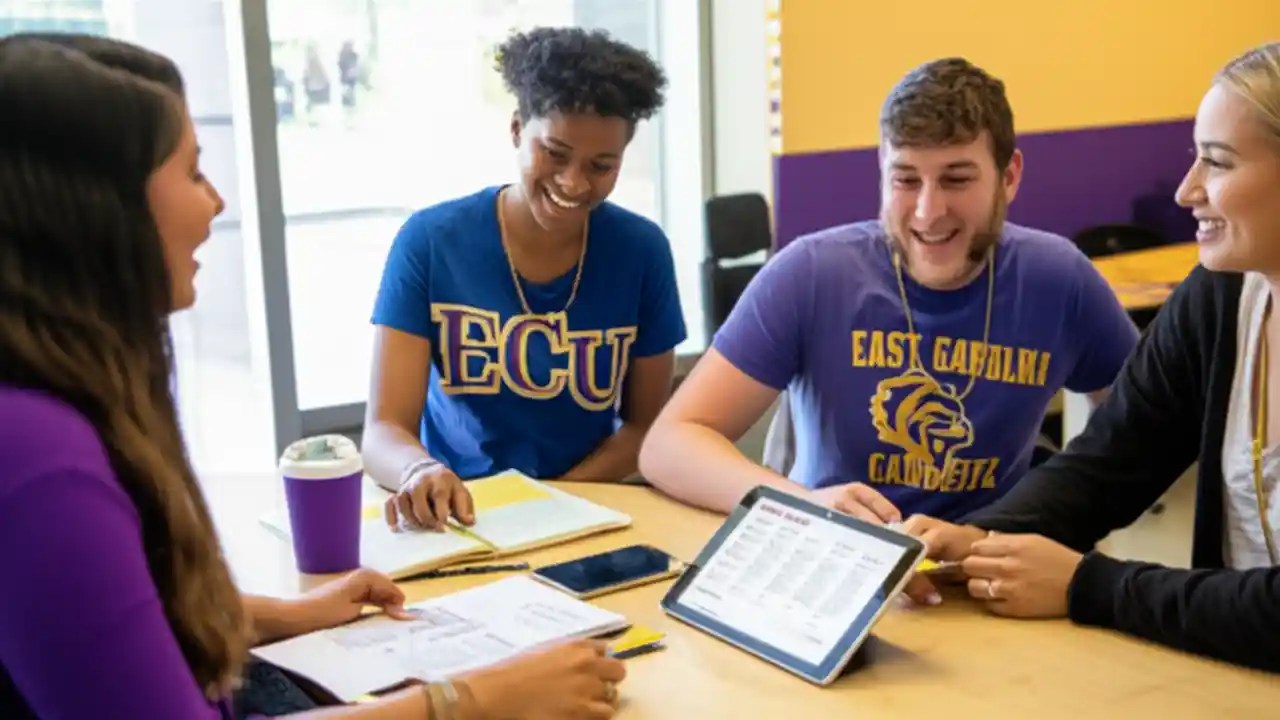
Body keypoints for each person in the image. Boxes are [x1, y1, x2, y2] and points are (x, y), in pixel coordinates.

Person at [0, 34, 625, 719]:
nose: (214, 204)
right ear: (99, 206)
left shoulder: (55, 402)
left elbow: (111, 626)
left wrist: (282, 616)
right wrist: (469, 700)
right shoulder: (35, 456)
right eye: (192, 172)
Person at [899, 43, 1280, 674]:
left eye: (1216, 162)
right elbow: (1111, 460)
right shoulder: (1222, 296)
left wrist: (1090, 586)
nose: (1188, 190)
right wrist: (979, 538)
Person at [639, 58, 1138, 531]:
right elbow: (670, 444)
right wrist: (800, 505)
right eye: (905, 179)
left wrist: (1050, 517)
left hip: (985, 570)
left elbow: (1151, 424)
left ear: (1008, 178)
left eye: (956, 179)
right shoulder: (812, 274)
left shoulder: (1059, 279)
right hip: (833, 554)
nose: (927, 211)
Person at [364, 27, 685, 532]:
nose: (574, 182)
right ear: (517, 130)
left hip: (586, 508)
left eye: (601, 166)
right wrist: (419, 469)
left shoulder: (642, 252)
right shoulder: (429, 241)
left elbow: (647, 427)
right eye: (554, 153)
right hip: (458, 516)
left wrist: (557, 502)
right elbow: (384, 427)